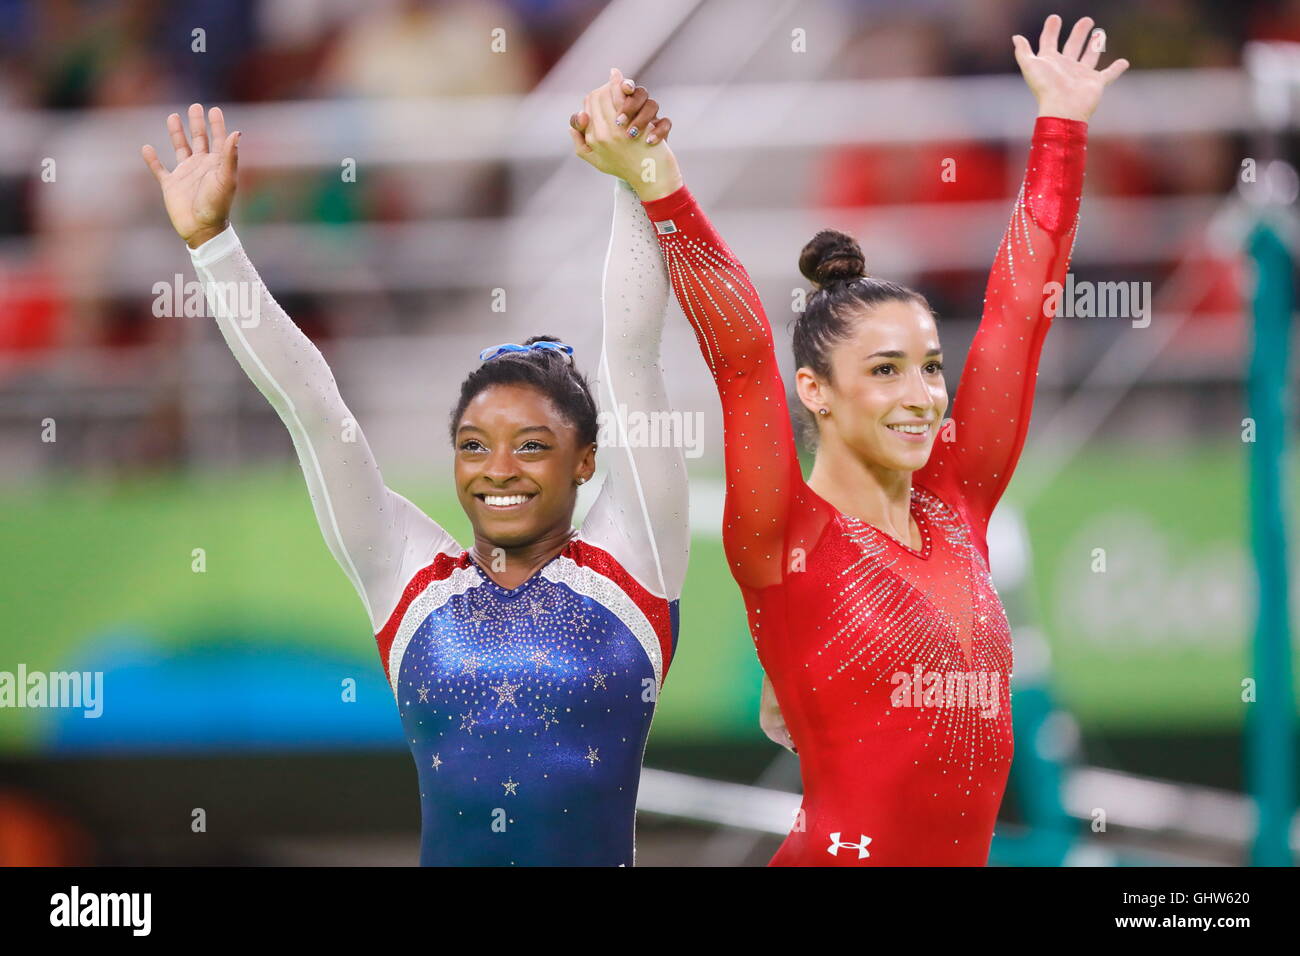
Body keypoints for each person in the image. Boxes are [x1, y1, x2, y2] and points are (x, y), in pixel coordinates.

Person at [573, 16, 1127, 865]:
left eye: (930, 368)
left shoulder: (959, 503)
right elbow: (740, 356)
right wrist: (657, 180)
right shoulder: (785, 533)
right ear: (816, 392)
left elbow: (1020, 313)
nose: (922, 396)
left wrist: (1061, 126)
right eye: (885, 371)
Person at [140, 79, 689, 866]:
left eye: (533, 446)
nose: (499, 471)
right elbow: (313, 408)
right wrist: (213, 246)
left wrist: (634, 177)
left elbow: (632, 355)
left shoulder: (634, 563)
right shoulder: (412, 582)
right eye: (473, 446)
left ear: (586, 461)